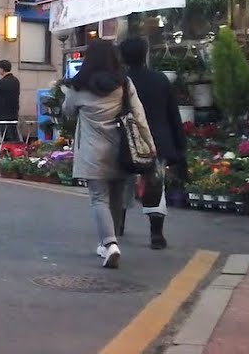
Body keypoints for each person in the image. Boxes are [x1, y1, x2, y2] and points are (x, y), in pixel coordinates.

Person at [62, 39, 156, 269]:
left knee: (98, 198)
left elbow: (68, 111)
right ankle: (108, 244)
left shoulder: (78, 86)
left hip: (92, 152)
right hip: (121, 150)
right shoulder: (123, 83)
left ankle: (109, 243)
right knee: (115, 197)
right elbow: (139, 117)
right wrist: (150, 146)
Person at [119, 37, 188, 249]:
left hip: (125, 140)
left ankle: (117, 223)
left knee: (122, 181)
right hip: (156, 140)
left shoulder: (120, 81)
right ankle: (156, 233)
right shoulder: (160, 79)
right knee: (155, 184)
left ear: (122, 56)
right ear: (145, 54)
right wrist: (179, 146)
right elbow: (173, 114)